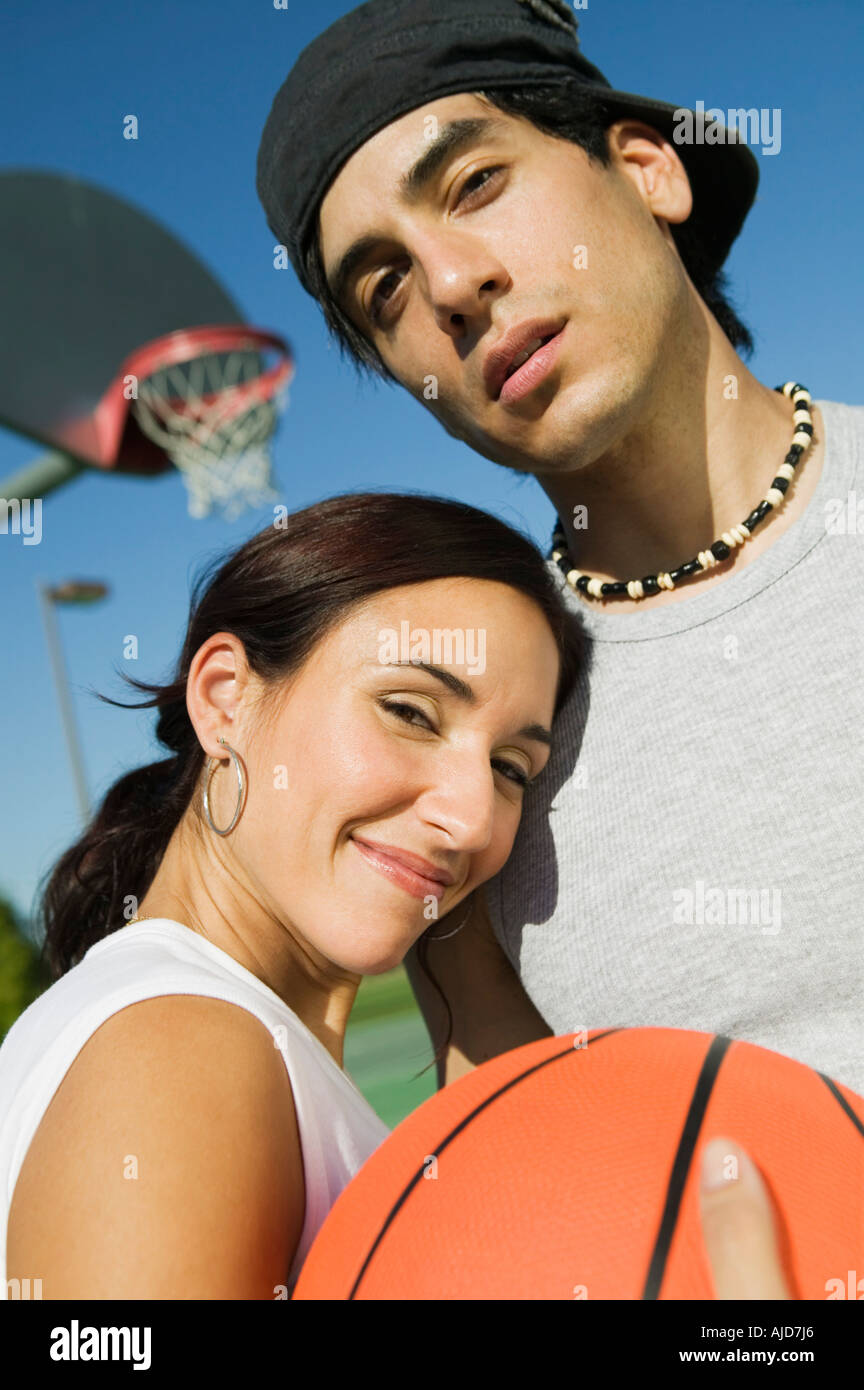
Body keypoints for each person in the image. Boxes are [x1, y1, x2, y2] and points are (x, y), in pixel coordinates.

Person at [254, 0, 864, 1297]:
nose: (453, 287)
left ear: (646, 170)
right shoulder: (466, 758)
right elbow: (530, 1222)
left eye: (475, 181)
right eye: (385, 287)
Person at [1, 492, 577, 1298]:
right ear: (225, 696)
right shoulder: (182, 1050)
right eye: (410, 711)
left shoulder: (218, 1037)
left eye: (512, 768)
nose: (473, 817)